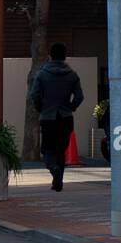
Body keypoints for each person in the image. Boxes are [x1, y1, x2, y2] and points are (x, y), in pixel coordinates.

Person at [29, 43, 84, 192]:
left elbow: (34, 95)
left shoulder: (42, 74)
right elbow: (79, 96)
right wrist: (71, 107)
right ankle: (58, 182)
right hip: (65, 117)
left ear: (50, 56)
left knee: (47, 149)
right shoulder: (72, 75)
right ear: (64, 56)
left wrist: (41, 108)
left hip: (48, 117)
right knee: (60, 150)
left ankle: (53, 169)